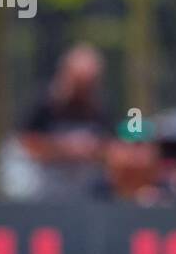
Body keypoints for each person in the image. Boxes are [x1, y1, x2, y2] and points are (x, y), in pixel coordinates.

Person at [19, 43, 111, 199]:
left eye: (89, 83)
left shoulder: (101, 107)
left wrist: (93, 150)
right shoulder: (44, 105)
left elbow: (112, 147)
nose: (84, 89)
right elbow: (25, 143)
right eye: (79, 82)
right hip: (47, 188)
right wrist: (62, 149)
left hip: (90, 190)